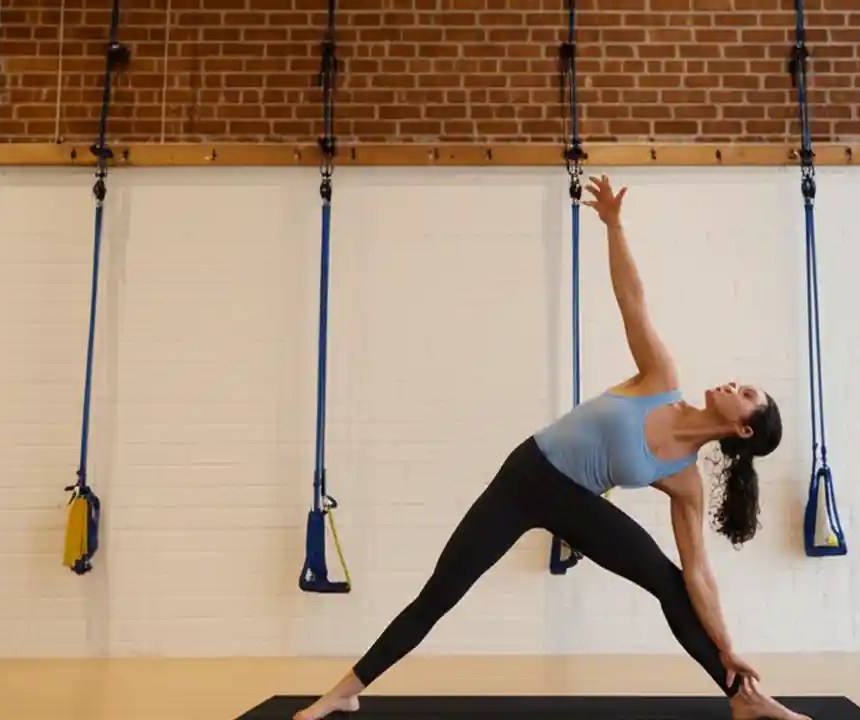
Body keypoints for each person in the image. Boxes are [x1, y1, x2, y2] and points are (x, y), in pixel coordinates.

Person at [296, 176, 808, 720]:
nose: (734, 385)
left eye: (746, 394)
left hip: (574, 504)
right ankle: (345, 690)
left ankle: (743, 699)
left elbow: (698, 572)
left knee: (668, 580)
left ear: (744, 431)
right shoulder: (661, 378)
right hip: (523, 477)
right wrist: (613, 226)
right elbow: (631, 298)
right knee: (440, 593)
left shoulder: (684, 480)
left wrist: (725, 642)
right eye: (741, 382)